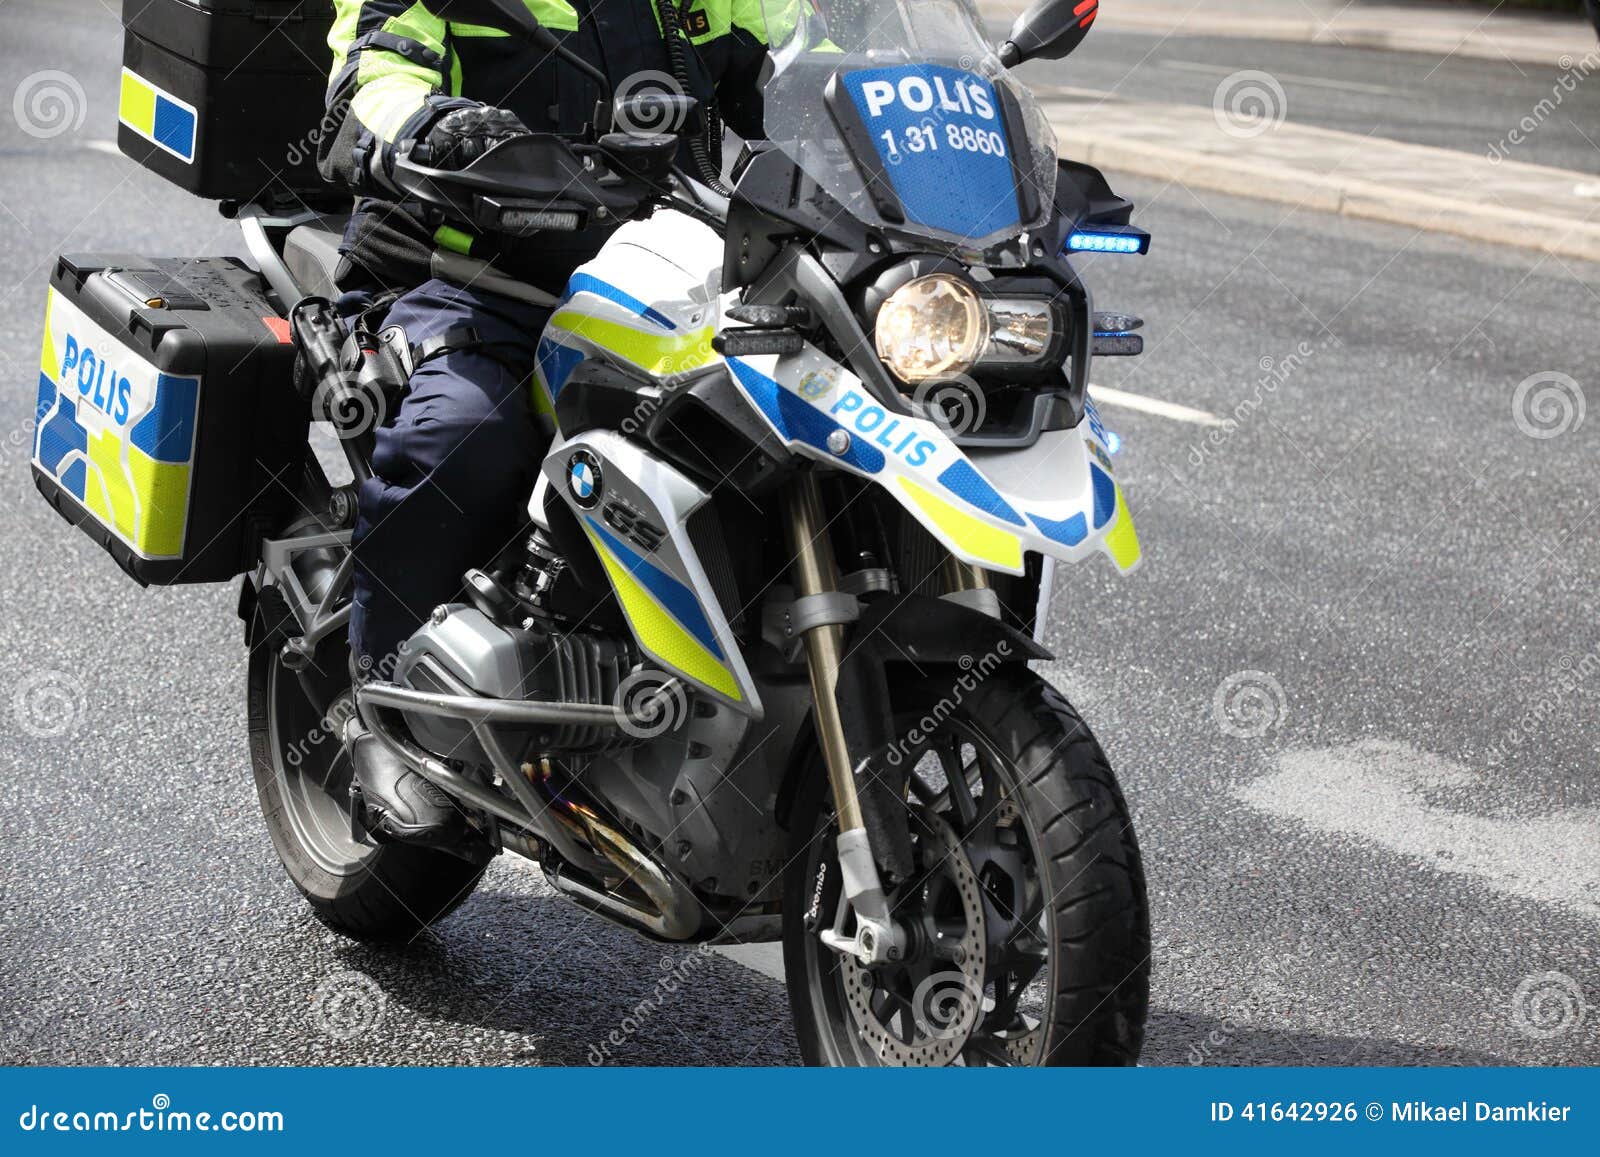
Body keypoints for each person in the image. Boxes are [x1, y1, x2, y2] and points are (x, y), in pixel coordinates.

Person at [315, 0, 772, 849]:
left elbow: (816, 53)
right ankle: (381, 714)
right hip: (463, 273)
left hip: (666, 276)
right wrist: (433, 126)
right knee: (466, 435)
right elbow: (370, 75)